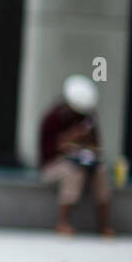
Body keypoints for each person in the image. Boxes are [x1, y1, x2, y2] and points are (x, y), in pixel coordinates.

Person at [38, 74, 114, 236]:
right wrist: (69, 140)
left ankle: (104, 225)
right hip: (54, 166)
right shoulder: (53, 118)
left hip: (85, 163)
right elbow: (47, 152)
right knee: (73, 172)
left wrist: (88, 148)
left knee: (100, 172)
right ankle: (62, 222)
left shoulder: (89, 119)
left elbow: (97, 147)